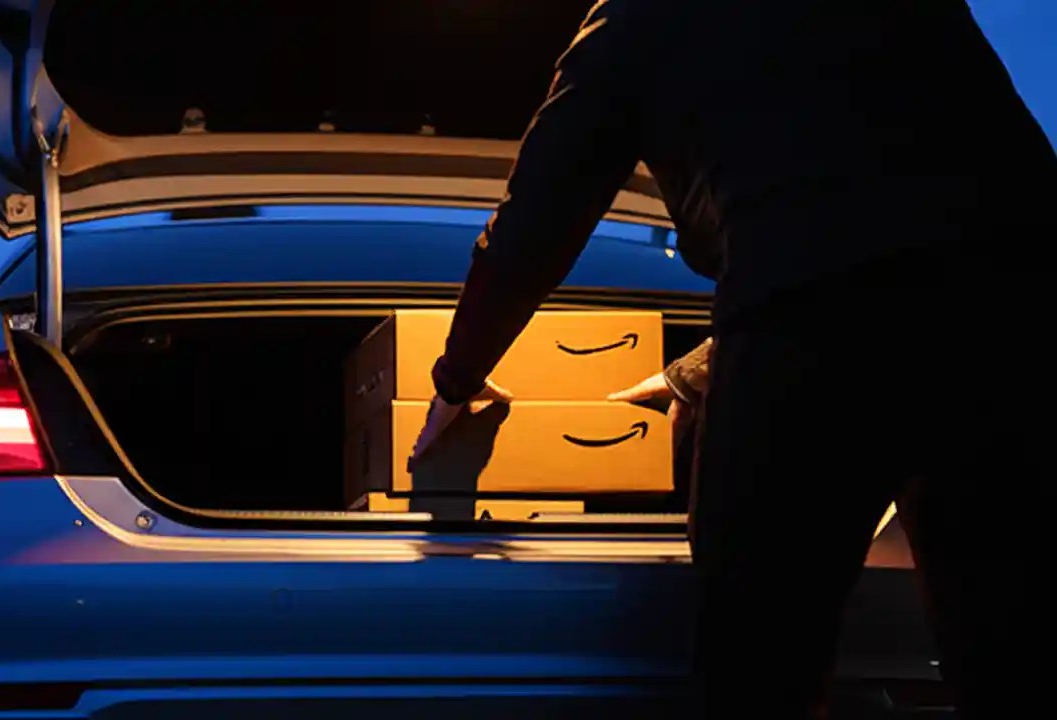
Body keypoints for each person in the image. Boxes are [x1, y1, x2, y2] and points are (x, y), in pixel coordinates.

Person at [408, 0, 1056, 717]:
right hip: (1020, 319)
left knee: (758, 666)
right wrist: (698, 371)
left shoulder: (634, 19)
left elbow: (535, 225)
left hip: (815, 321)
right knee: (1015, 654)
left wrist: (455, 379)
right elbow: (897, 211)